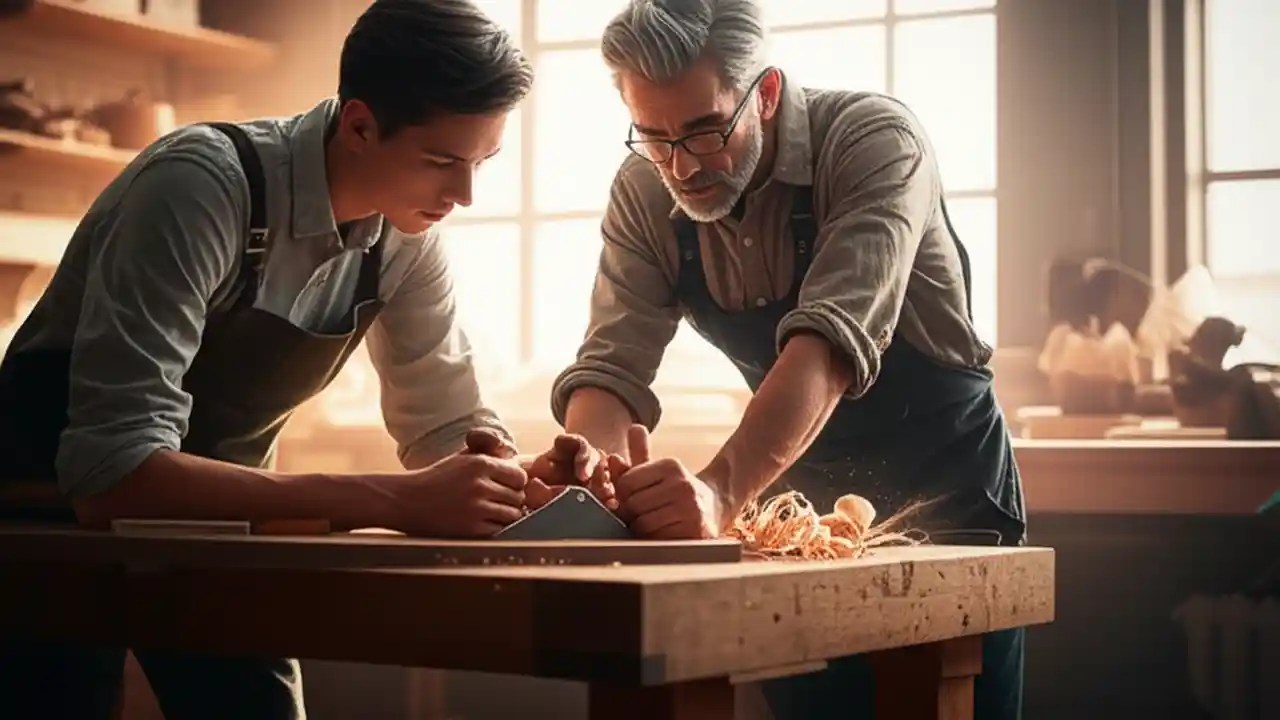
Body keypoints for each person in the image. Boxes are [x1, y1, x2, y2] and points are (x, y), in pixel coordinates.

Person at [0, 1, 580, 717]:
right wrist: (395, 499)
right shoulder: (199, 188)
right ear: (361, 125)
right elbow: (109, 472)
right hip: (42, 531)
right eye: (442, 162)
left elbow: (447, 429)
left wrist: (512, 477)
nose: (464, 195)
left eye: (482, 163)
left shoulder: (407, 237)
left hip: (216, 529)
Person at [548, 0, 1028, 718]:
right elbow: (612, 365)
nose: (681, 167)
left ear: (765, 94)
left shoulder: (874, 141)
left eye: (705, 131)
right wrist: (585, 485)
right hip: (791, 504)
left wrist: (717, 491)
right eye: (653, 136)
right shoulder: (645, 189)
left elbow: (830, 348)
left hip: (946, 489)